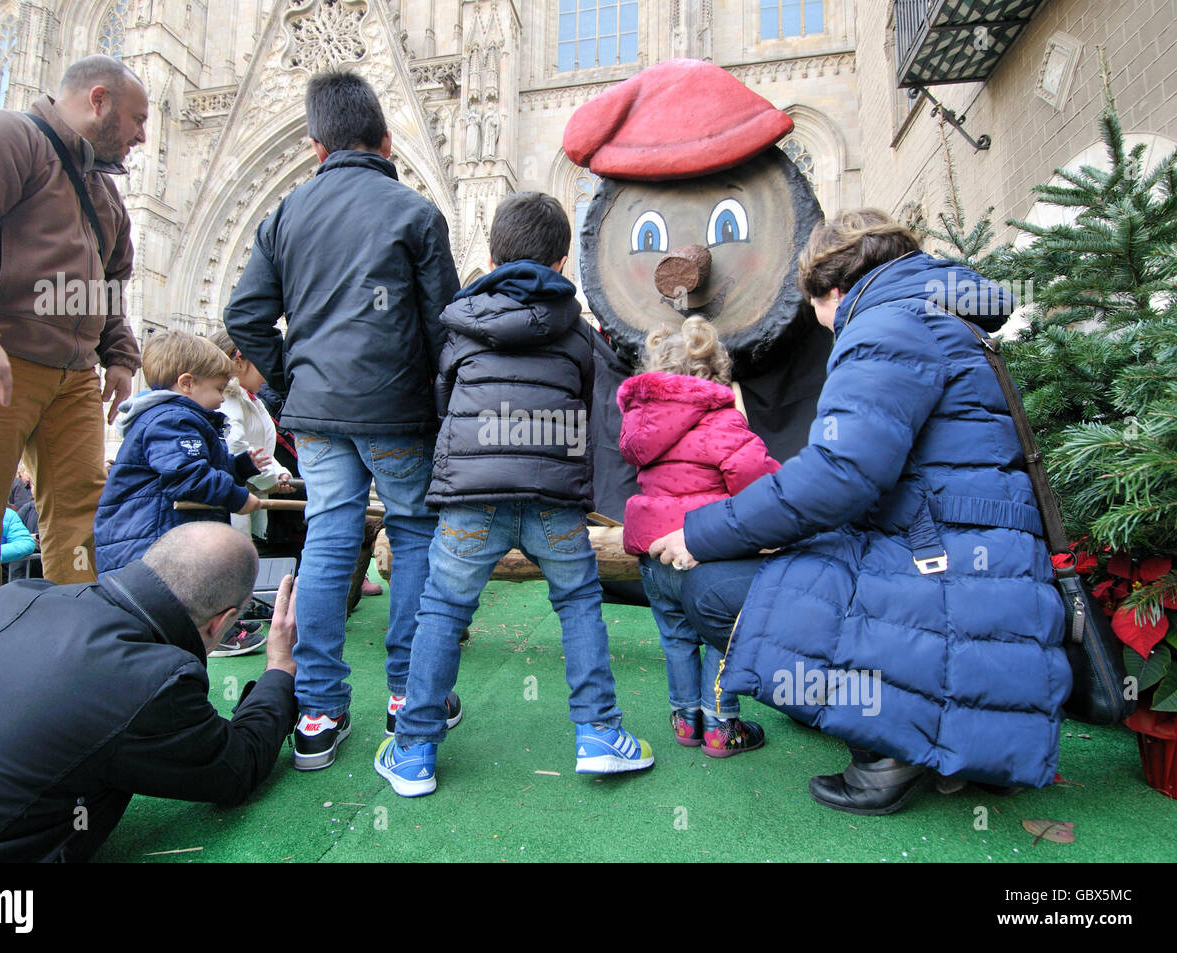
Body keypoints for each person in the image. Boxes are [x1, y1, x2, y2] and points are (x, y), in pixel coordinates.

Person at [651, 209, 1071, 814]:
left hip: (940, 572)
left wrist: (703, 533)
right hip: (979, 575)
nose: (822, 325)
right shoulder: (940, 316)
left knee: (713, 584)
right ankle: (968, 744)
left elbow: (839, 476)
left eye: (815, 309)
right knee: (793, 567)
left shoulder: (886, 326)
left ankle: (888, 750)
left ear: (832, 290)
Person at [375, 191, 653, 797]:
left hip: (472, 496)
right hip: (554, 496)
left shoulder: (459, 326)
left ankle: (414, 750)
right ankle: (600, 734)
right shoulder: (578, 333)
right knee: (578, 603)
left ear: (496, 254)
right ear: (560, 263)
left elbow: (447, 405)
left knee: (443, 611)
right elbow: (584, 401)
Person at [224, 70, 460, 770]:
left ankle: (319, 713)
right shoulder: (414, 212)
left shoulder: (285, 213)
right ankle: (407, 695)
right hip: (396, 409)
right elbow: (445, 329)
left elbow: (243, 315)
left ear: (314, 146)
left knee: (328, 541)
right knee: (414, 534)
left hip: (319, 414)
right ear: (386, 140)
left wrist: (294, 372)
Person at [0, 523, 299, 862]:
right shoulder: (150, 679)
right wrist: (279, 669)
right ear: (222, 621)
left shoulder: (23, 594)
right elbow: (235, 767)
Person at [0, 54, 145, 621]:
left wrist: (119, 354)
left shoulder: (103, 193)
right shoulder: (4, 135)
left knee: (81, 518)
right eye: (137, 119)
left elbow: (112, 279)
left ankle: (76, 641)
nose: (141, 136)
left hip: (72, 373)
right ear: (99, 100)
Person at [618, 315, 779, 757]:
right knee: (718, 633)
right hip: (703, 554)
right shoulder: (722, 422)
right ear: (714, 373)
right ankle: (720, 722)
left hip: (653, 556)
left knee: (675, 636)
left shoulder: (642, 424)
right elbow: (759, 486)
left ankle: (686, 719)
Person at [93, 330, 264, 575]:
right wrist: (236, 498)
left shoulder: (177, 419)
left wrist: (240, 467)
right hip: (151, 548)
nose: (220, 400)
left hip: (159, 543)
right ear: (187, 383)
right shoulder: (173, 421)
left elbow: (195, 467)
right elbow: (187, 477)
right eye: (218, 389)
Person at [208, 329, 294, 543]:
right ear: (240, 362)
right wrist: (270, 479)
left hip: (249, 494)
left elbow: (261, 450)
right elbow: (235, 447)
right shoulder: (226, 399)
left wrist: (280, 473)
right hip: (229, 502)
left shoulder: (251, 400)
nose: (267, 374)